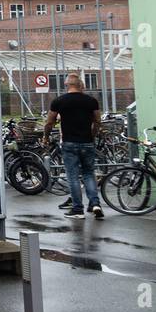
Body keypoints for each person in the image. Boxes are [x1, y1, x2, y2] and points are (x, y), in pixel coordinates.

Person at [44, 74, 103, 219]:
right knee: (89, 173)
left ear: (67, 85)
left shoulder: (59, 101)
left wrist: (46, 136)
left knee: (73, 177)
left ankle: (77, 209)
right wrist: (92, 135)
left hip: (69, 143)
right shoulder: (91, 101)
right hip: (87, 142)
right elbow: (97, 121)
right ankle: (95, 203)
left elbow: (50, 122)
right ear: (80, 85)